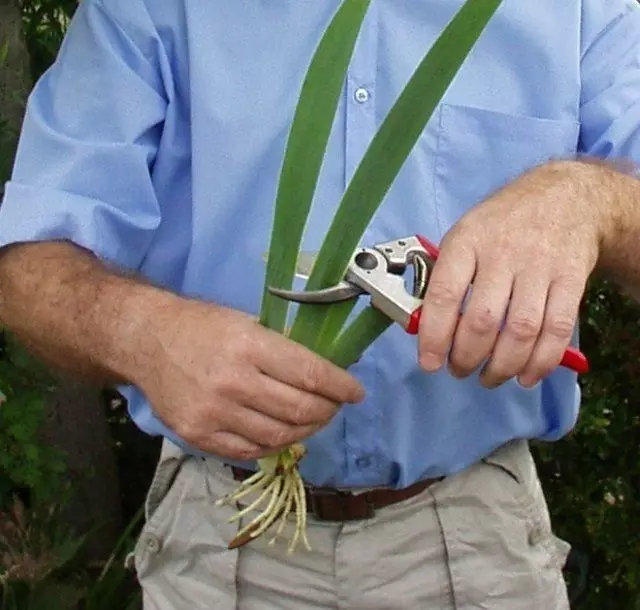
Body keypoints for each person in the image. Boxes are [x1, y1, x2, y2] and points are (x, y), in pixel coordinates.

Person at [1, 0, 640, 607]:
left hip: (472, 544)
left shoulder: (579, 10)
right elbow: (28, 260)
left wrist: (588, 200)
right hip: (221, 541)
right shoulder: (153, 11)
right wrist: (144, 334)